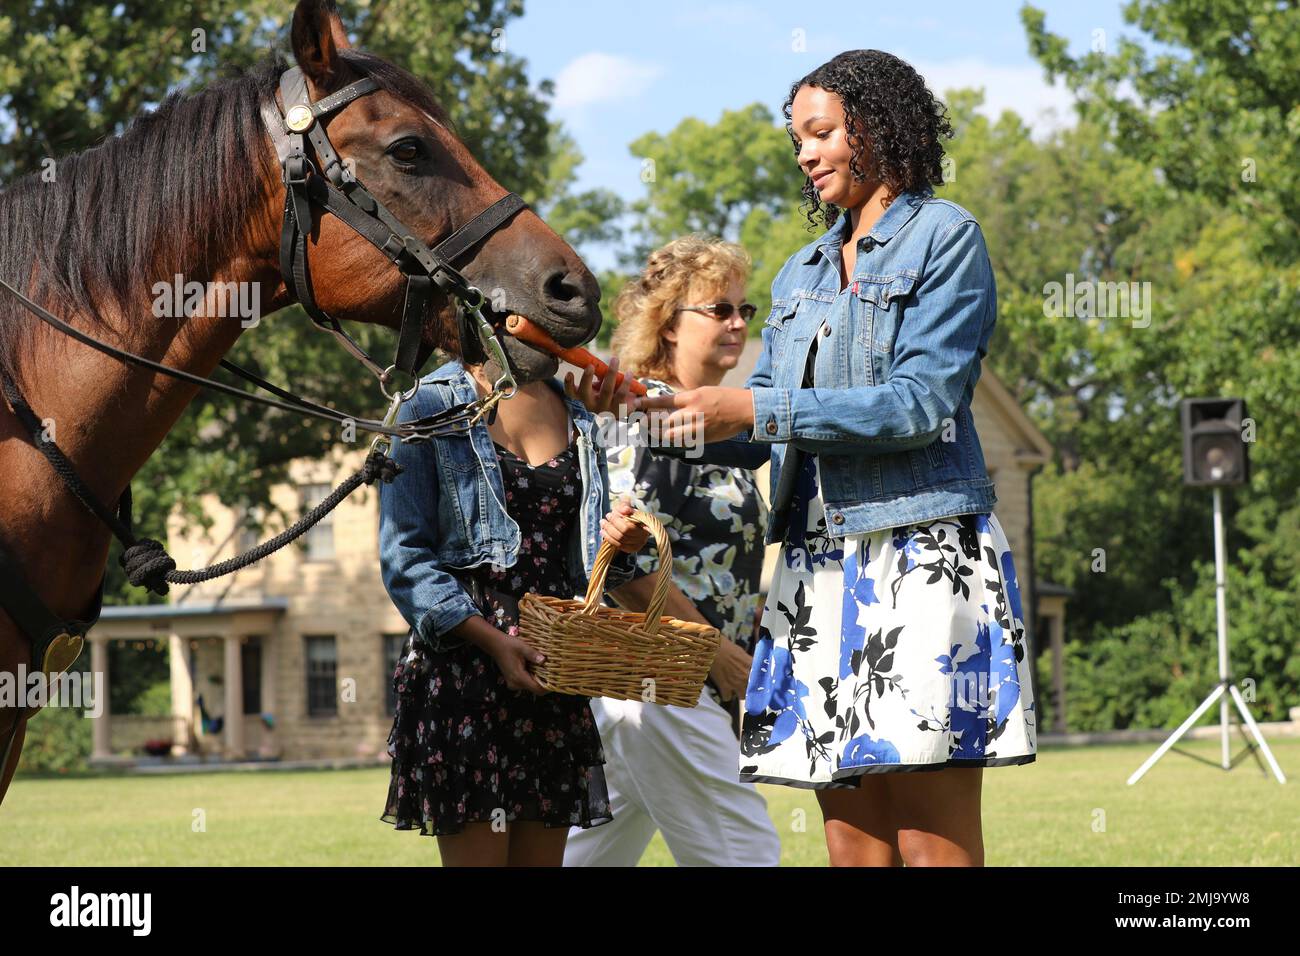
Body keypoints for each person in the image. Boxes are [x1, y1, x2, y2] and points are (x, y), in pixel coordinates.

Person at [636, 49, 1037, 867]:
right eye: (796, 142)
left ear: (878, 128)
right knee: (853, 848)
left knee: (929, 843)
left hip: (919, 554)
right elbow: (765, 431)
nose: (805, 155)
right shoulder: (802, 272)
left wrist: (751, 404)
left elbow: (918, 405)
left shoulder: (945, 238)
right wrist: (655, 415)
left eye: (820, 134)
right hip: (816, 571)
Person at [561, 235, 782, 867]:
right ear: (667, 324)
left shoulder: (713, 423)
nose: (738, 323)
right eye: (719, 310)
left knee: (585, 860)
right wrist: (718, 655)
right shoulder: (648, 420)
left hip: (656, 689)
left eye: (745, 309)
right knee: (744, 853)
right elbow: (625, 564)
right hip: (663, 679)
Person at [378, 352, 647, 867]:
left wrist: (624, 545)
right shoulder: (426, 403)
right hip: (464, 670)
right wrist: (494, 642)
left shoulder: (579, 415)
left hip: (549, 672)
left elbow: (588, 562)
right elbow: (404, 557)